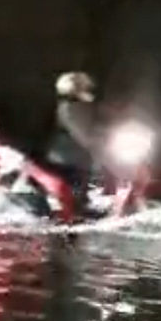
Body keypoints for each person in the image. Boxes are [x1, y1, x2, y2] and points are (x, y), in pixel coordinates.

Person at [45, 71, 102, 215]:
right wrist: (97, 141)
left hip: (78, 157)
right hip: (68, 158)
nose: (89, 89)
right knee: (77, 193)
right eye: (84, 86)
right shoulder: (69, 108)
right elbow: (81, 133)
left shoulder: (84, 107)